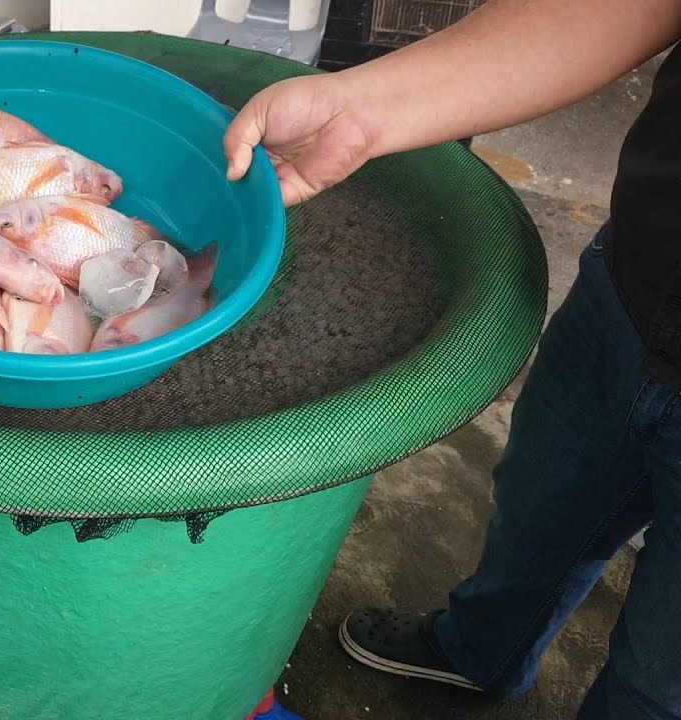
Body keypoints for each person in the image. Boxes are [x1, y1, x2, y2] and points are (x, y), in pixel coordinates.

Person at [223, 0, 681, 717]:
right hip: (636, 286)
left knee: (658, 680)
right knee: (539, 505)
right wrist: (359, 110)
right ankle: (479, 651)